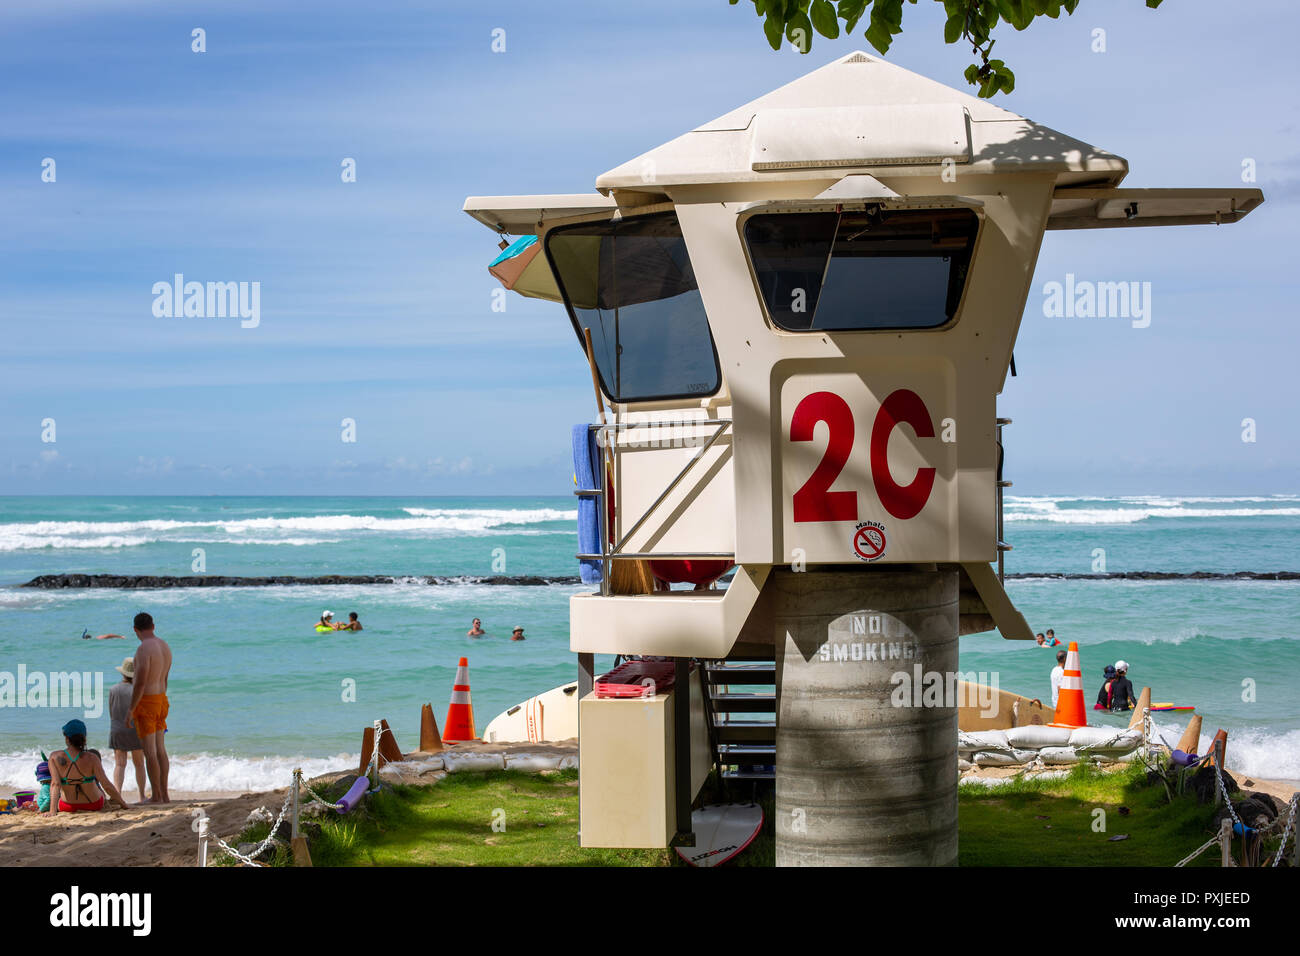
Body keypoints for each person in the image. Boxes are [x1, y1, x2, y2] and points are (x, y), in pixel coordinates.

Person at [128, 611, 172, 804]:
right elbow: (165, 678)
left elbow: (140, 682)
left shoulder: (143, 649)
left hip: (147, 702)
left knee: (150, 753)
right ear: (153, 626)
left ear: (136, 630)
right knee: (161, 749)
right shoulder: (164, 646)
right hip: (162, 699)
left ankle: (156, 796)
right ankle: (164, 794)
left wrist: (131, 709)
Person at [46, 719, 128, 814]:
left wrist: (52, 811)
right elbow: (107, 785)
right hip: (93, 804)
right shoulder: (92, 758)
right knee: (96, 784)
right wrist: (124, 804)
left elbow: (55, 784)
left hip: (67, 806)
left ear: (67, 738)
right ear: (84, 738)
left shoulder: (54, 757)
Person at [109, 656, 147, 803]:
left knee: (119, 764)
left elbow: (111, 711)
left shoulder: (113, 689)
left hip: (117, 728)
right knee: (139, 764)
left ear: (123, 673)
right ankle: (142, 795)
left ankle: (117, 794)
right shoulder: (139, 690)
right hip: (135, 729)